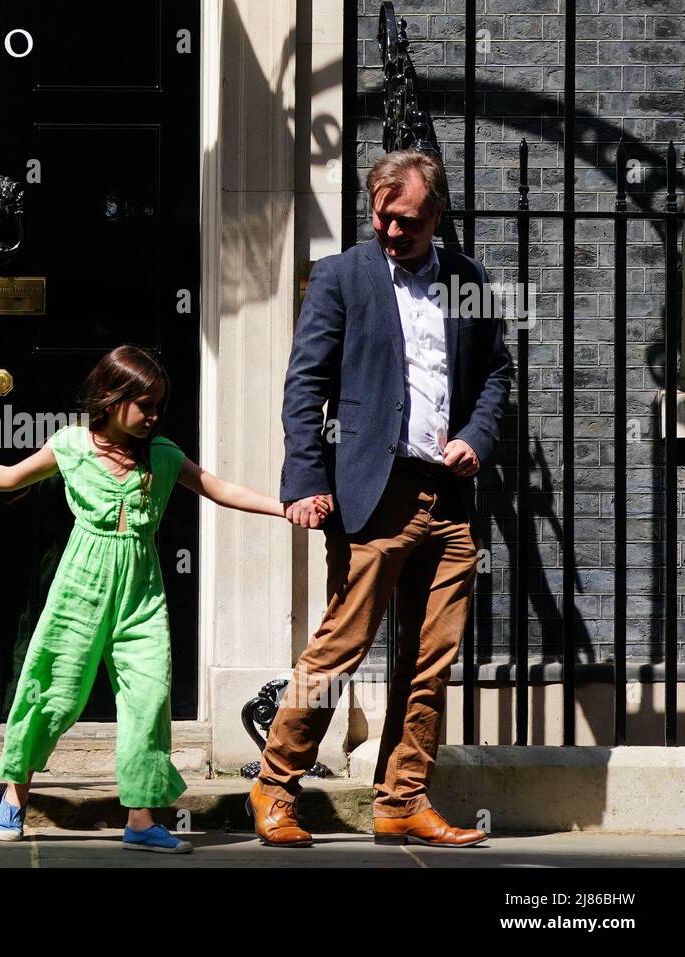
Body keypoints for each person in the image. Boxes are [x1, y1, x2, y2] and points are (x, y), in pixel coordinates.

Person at [0, 345, 329, 852]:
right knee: (53, 691)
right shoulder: (72, 445)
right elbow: (10, 476)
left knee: (148, 699)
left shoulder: (162, 455)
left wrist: (286, 508)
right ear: (111, 398)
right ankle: (15, 791)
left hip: (141, 592)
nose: (153, 415)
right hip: (80, 586)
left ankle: (142, 819)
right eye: (143, 404)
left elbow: (218, 488)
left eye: (159, 405)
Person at [253, 148, 513, 848]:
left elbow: (496, 373)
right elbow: (304, 385)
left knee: (431, 658)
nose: (390, 231)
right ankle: (276, 782)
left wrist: (476, 436)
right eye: (380, 216)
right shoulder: (341, 276)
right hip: (377, 489)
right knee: (337, 650)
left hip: (450, 497)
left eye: (405, 220)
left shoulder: (470, 280)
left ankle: (401, 797)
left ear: (436, 214)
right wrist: (305, 479)